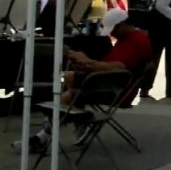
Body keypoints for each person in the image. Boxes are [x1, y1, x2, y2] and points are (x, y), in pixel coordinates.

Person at [23, 9, 153, 152]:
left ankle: (44, 136)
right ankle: (76, 118)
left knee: (68, 95)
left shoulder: (137, 40)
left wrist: (88, 62)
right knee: (70, 77)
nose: (112, 34)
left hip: (117, 89)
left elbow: (119, 68)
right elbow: (111, 66)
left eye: (113, 30)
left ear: (122, 25)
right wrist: (85, 65)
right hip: (110, 82)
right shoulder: (126, 39)